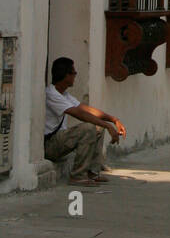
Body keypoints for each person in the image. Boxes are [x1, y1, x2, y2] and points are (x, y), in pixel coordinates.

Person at [44, 57, 126, 185]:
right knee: (88, 128)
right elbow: (79, 114)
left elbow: (87, 110)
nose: (75, 76)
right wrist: (108, 126)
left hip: (59, 140)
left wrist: (114, 120)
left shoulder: (64, 95)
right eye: (73, 73)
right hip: (50, 144)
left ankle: (92, 172)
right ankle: (77, 175)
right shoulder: (51, 94)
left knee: (98, 127)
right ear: (65, 75)